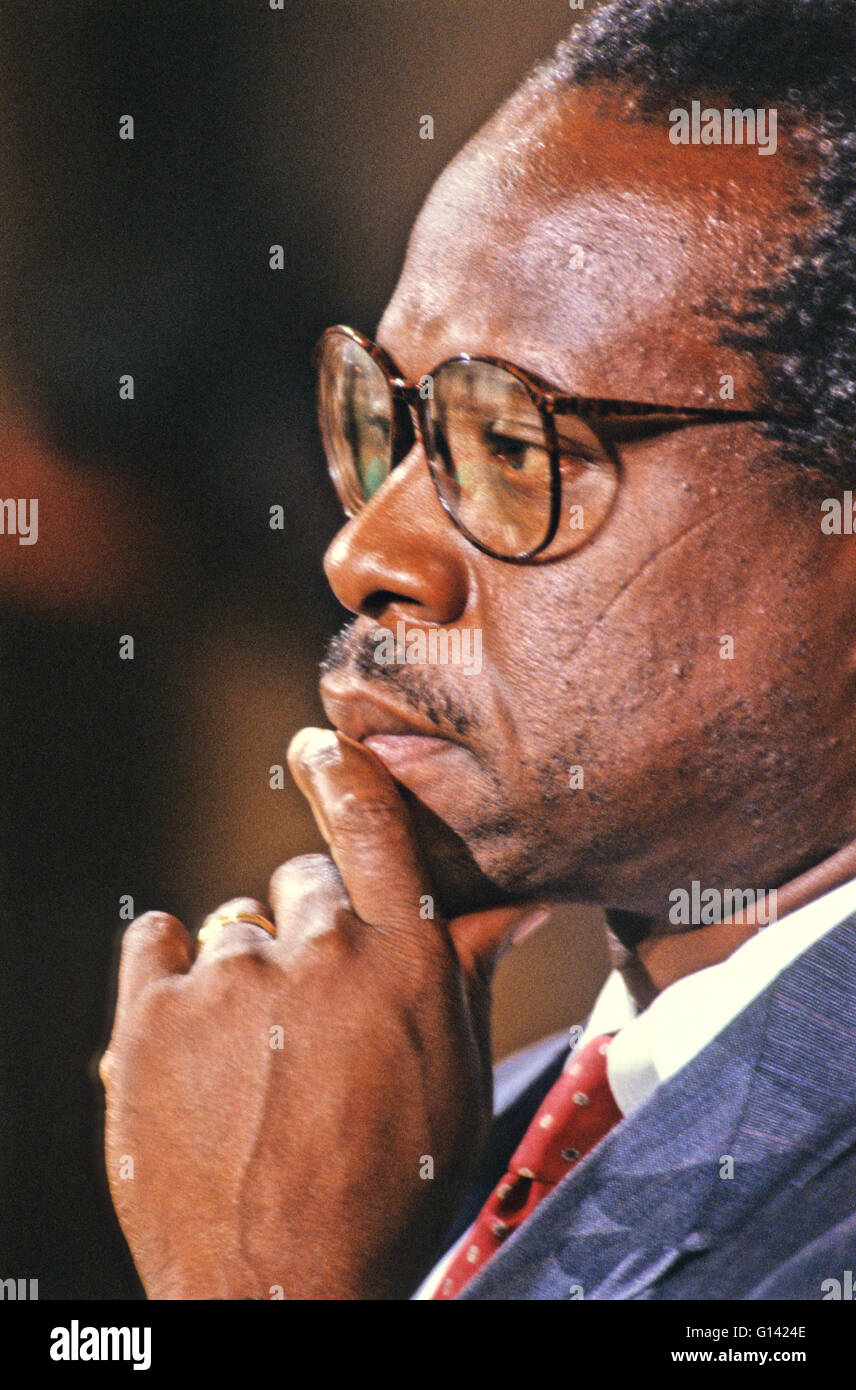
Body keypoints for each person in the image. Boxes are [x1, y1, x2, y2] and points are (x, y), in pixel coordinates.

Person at [100, 0, 856, 1300]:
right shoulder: (427, 1146)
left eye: (509, 447)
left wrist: (252, 1285)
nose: (366, 556)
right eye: (382, 427)